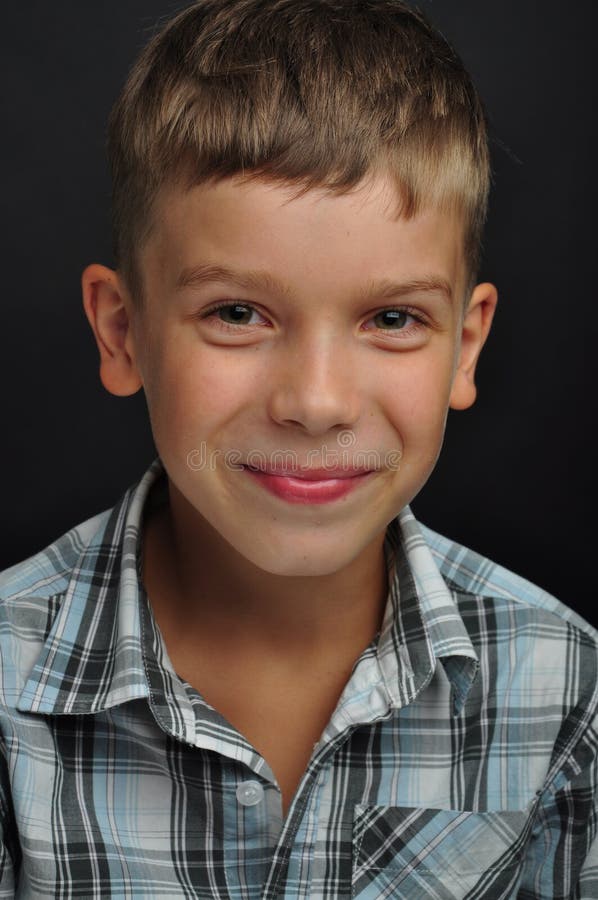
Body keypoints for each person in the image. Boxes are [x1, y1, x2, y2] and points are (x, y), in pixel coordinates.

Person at [1, 0, 596, 896]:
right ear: (122, 332)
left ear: (465, 347)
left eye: (392, 319)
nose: (316, 403)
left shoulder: (568, 692)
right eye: (237, 313)